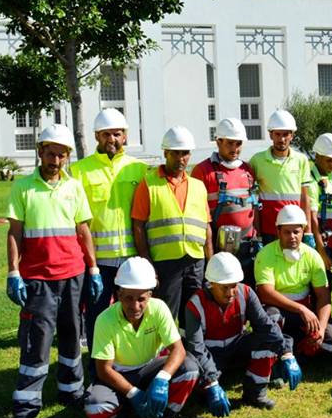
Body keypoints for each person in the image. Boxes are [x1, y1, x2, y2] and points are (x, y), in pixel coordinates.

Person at [5, 124, 96, 418]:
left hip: (73, 274)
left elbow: (83, 231)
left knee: (72, 334)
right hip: (38, 278)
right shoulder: (23, 187)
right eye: (51, 153)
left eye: (61, 155)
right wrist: (13, 272)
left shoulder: (74, 188)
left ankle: (72, 392)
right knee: (37, 340)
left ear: (67, 157)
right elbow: (15, 233)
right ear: (40, 152)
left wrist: (93, 269)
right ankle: (27, 405)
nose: (55, 160)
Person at [84, 257, 199, 418]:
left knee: (190, 369)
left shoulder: (159, 308)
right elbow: (103, 370)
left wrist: (162, 378)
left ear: (150, 296)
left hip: (150, 369)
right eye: (128, 298)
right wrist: (133, 393)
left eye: (141, 299)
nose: (135, 306)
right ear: (119, 295)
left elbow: (178, 350)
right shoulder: (105, 319)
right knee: (95, 406)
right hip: (118, 375)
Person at [70, 108, 148, 357]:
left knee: (135, 314)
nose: (111, 139)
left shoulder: (139, 169)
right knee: (97, 316)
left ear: (125, 136)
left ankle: (130, 361)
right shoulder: (79, 171)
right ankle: (97, 368)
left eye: (116, 134)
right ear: (96, 136)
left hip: (132, 258)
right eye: (106, 134)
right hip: (97, 262)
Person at [183, 252, 294, 412]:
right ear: (211, 283)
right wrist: (212, 381)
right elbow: (197, 348)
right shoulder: (195, 304)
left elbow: (266, 326)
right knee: (194, 368)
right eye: (224, 288)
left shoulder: (246, 293)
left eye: (234, 286)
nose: (230, 293)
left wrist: (287, 353)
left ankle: (255, 393)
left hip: (237, 345)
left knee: (268, 339)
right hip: (210, 354)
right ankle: (208, 391)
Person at [131, 126, 212, 320]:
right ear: (165, 153)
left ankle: (191, 349)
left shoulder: (198, 186)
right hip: (165, 261)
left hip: (195, 259)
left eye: (185, 153)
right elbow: (138, 225)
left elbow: (206, 227)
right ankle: (165, 350)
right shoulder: (149, 183)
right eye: (176, 153)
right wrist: (147, 261)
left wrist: (211, 261)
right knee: (166, 313)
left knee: (194, 312)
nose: (181, 158)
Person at [254, 205, 332, 358]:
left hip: (305, 312)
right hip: (279, 309)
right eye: (287, 232)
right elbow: (265, 294)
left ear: (303, 231)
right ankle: (281, 355)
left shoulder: (312, 256)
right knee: (272, 319)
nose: (292, 236)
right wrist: (301, 309)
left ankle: (298, 350)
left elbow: (324, 296)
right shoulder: (265, 254)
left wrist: (320, 329)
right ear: (278, 232)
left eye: (296, 232)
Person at [191, 118, 259, 285]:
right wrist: (210, 254)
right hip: (218, 247)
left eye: (238, 143)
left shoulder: (247, 169)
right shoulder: (203, 171)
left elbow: (255, 206)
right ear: (218, 141)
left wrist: (259, 238)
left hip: (247, 247)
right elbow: (199, 217)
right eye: (230, 143)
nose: (235, 148)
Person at [249, 109, 313, 245]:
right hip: (268, 231)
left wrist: (308, 231)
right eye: (277, 134)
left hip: (294, 230)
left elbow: (304, 198)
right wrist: (257, 234)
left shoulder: (301, 160)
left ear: (292, 135)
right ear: (270, 135)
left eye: (285, 134)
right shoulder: (257, 161)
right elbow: (252, 199)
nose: (281, 139)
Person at [306, 132, 332, 275]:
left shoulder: (326, 177)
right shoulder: (311, 182)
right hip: (322, 246)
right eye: (329, 160)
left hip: (331, 242)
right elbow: (312, 218)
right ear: (317, 156)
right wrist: (321, 251)